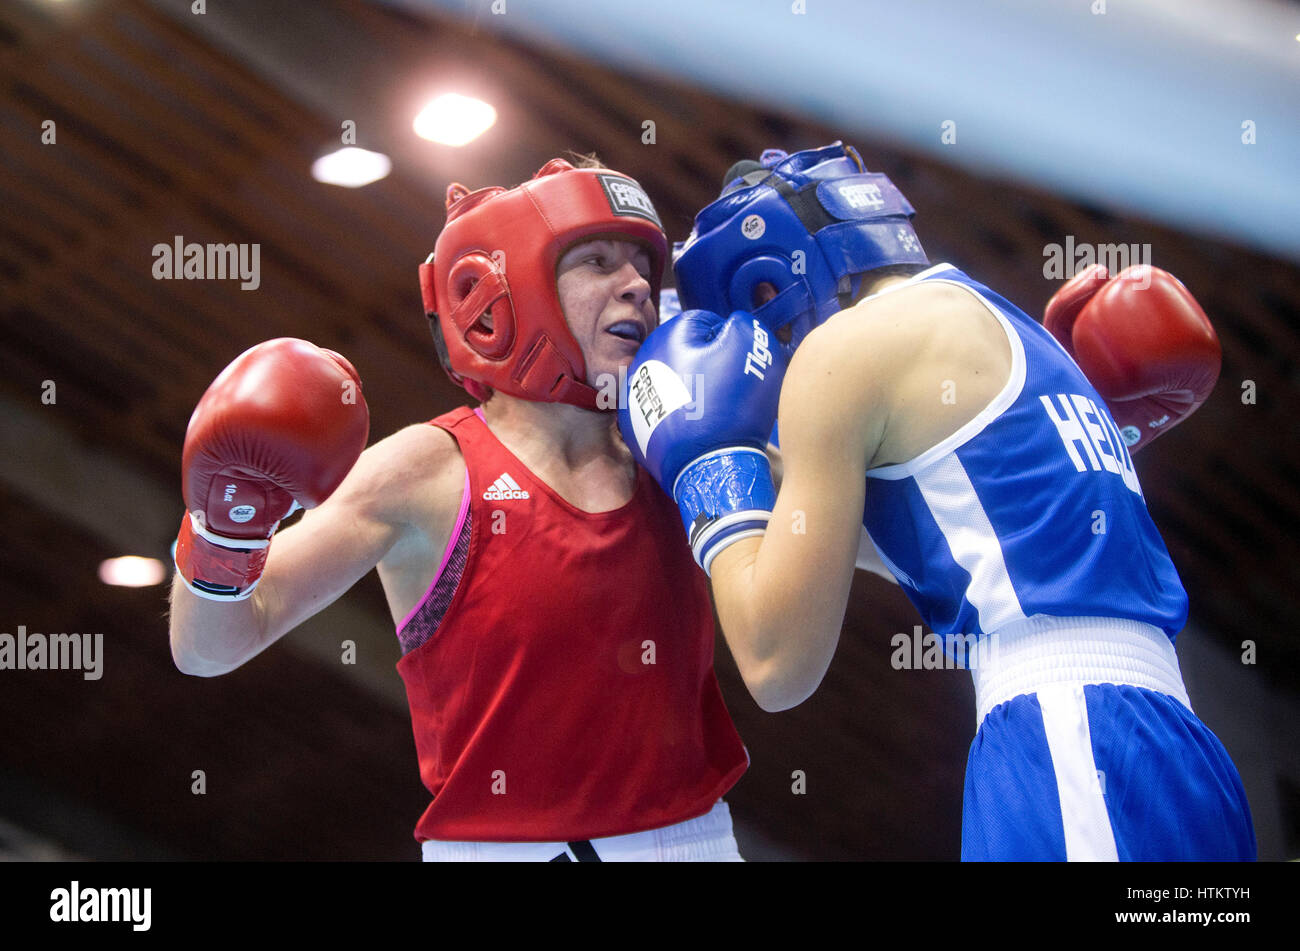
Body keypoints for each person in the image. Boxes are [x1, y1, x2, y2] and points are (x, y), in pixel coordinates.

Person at [619, 141, 1255, 861]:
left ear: (763, 287)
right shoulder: (1007, 327)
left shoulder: (842, 354)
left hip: (1068, 737)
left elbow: (776, 661)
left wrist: (710, 463)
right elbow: (919, 538)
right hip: (1178, 746)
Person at [169, 156, 748, 862]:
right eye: (597, 261)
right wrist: (223, 525)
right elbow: (209, 648)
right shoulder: (429, 470)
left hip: (696, 840)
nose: (635, 286)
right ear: (497, 292)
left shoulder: (682, 449)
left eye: (642, 265)